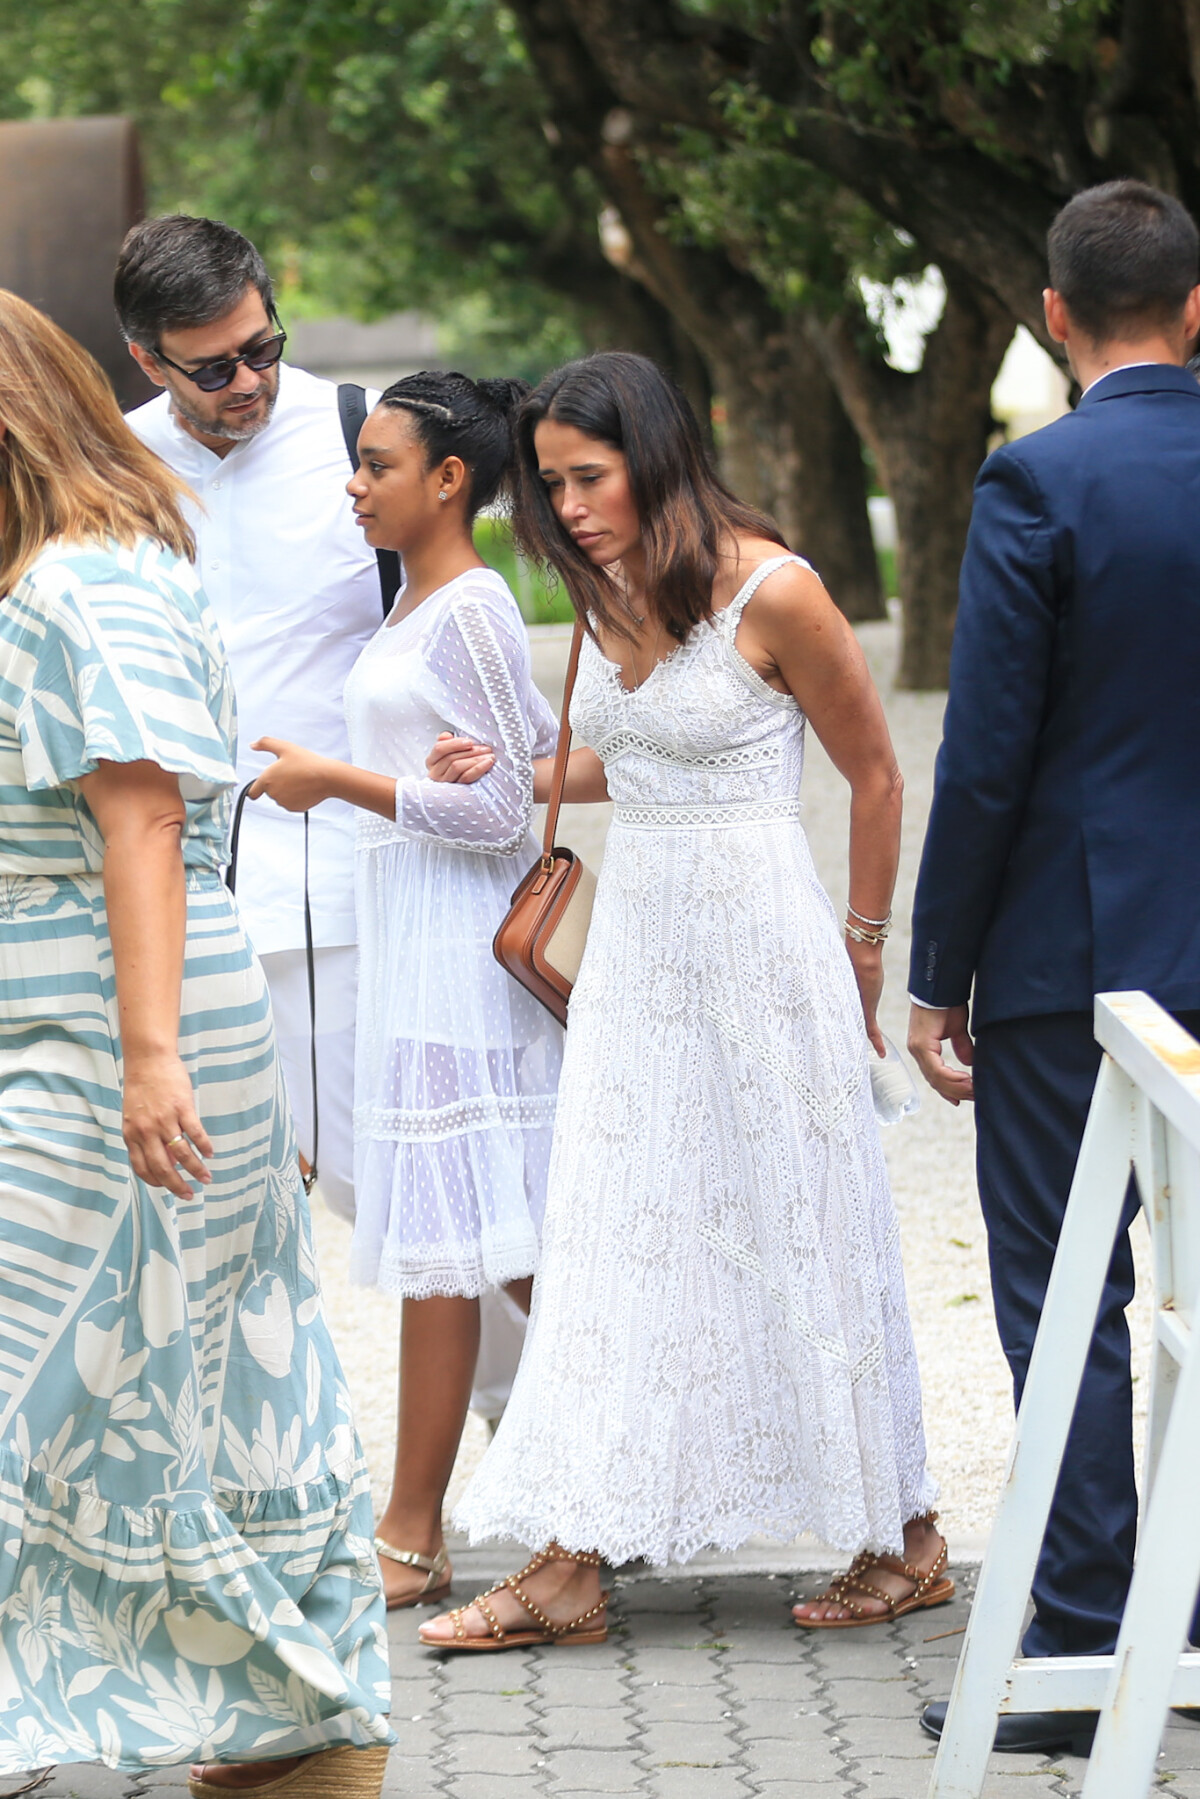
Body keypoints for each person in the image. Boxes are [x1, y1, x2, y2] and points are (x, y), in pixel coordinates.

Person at [416, 350, 949, 1649]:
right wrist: (526, 759)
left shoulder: (778, 587)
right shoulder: (602, 594)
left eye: (590, 476)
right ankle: (574, 1553)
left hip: (763, 942)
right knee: (620, 1226)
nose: (572, 505)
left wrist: (866, 946)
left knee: (802, 1217)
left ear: (655, 453)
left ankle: (907, 1534)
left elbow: (876, 775)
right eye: (550, 484)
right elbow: (633, 759)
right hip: (641, 954)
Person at [0, 291, 392, 1789]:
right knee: (185, 1383)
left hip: (114, 1035)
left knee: (53, 1371)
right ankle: (292, 1730)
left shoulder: (81, 584)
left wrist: (147, 1052)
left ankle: (251, 1714)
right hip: (85, 1018)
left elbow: (150, 814)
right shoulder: (66, 569)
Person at [907, 180, 1200, 1757]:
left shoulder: (1038, 478)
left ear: (1057, 318)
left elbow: (989, 753)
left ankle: (1088, 1622)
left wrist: (937, 963)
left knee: (1071, 1284)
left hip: (1072, 957)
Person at [247, 371, 563, 1611]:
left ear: (449, 481)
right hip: (415, 942)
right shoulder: (423, 603)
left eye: (377, 464)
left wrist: (345, 782)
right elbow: (524, 754)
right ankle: (417, 1522)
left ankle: (433, 1519)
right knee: (457, 1247)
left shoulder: (472, 604)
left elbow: (501, 810)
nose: (353, 481)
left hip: (459, 952)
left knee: (510, 1254)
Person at [117, 214, 382, 1224]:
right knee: (198, 1206)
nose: (249, 381)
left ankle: (523, 1386)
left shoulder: (369, 435)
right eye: (214, 368)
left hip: (347, 882)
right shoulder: (108, 470)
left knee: (391, 1186)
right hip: (168, 897)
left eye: (263, 349)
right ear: (149, 358)